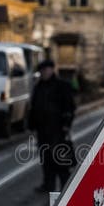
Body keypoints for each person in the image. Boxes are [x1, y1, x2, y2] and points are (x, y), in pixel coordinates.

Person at [28, 59, 76, 193]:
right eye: (42, 71)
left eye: (46, 70)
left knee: (60, 159)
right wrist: (31, 125)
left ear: (51, 70)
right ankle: (48, 184)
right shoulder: (39, 87)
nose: (44, 73)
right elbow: (34, 107)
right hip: (42, 130)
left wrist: (66, 124)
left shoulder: (62, 86)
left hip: (58, 130)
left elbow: (69, 107)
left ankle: (65, 186)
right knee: (46, 159)